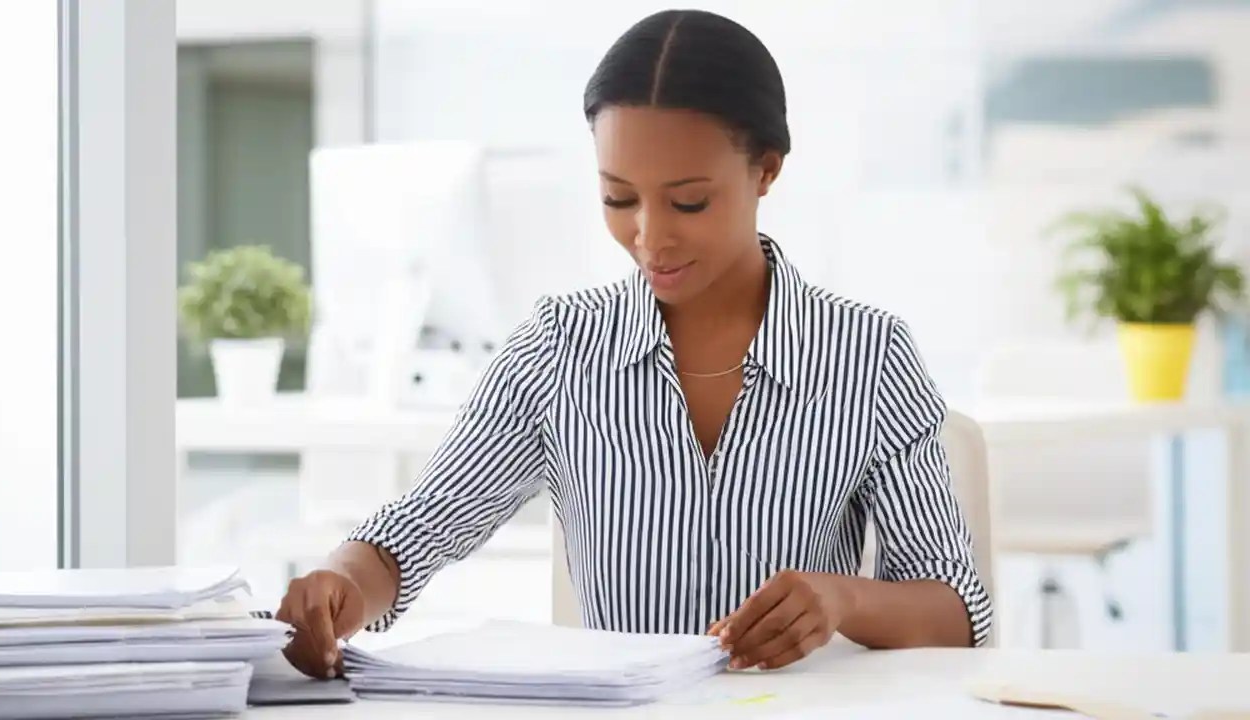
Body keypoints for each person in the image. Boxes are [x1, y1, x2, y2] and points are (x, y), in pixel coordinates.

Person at [277, 9, 992, 679]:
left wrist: (844, 600)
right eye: (619, 199)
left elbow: (959, 610)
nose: (650, 236)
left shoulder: (869, 355)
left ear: (766, 170)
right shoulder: (559, 351)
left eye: (688, 201)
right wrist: (339, 585)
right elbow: (417, 529)